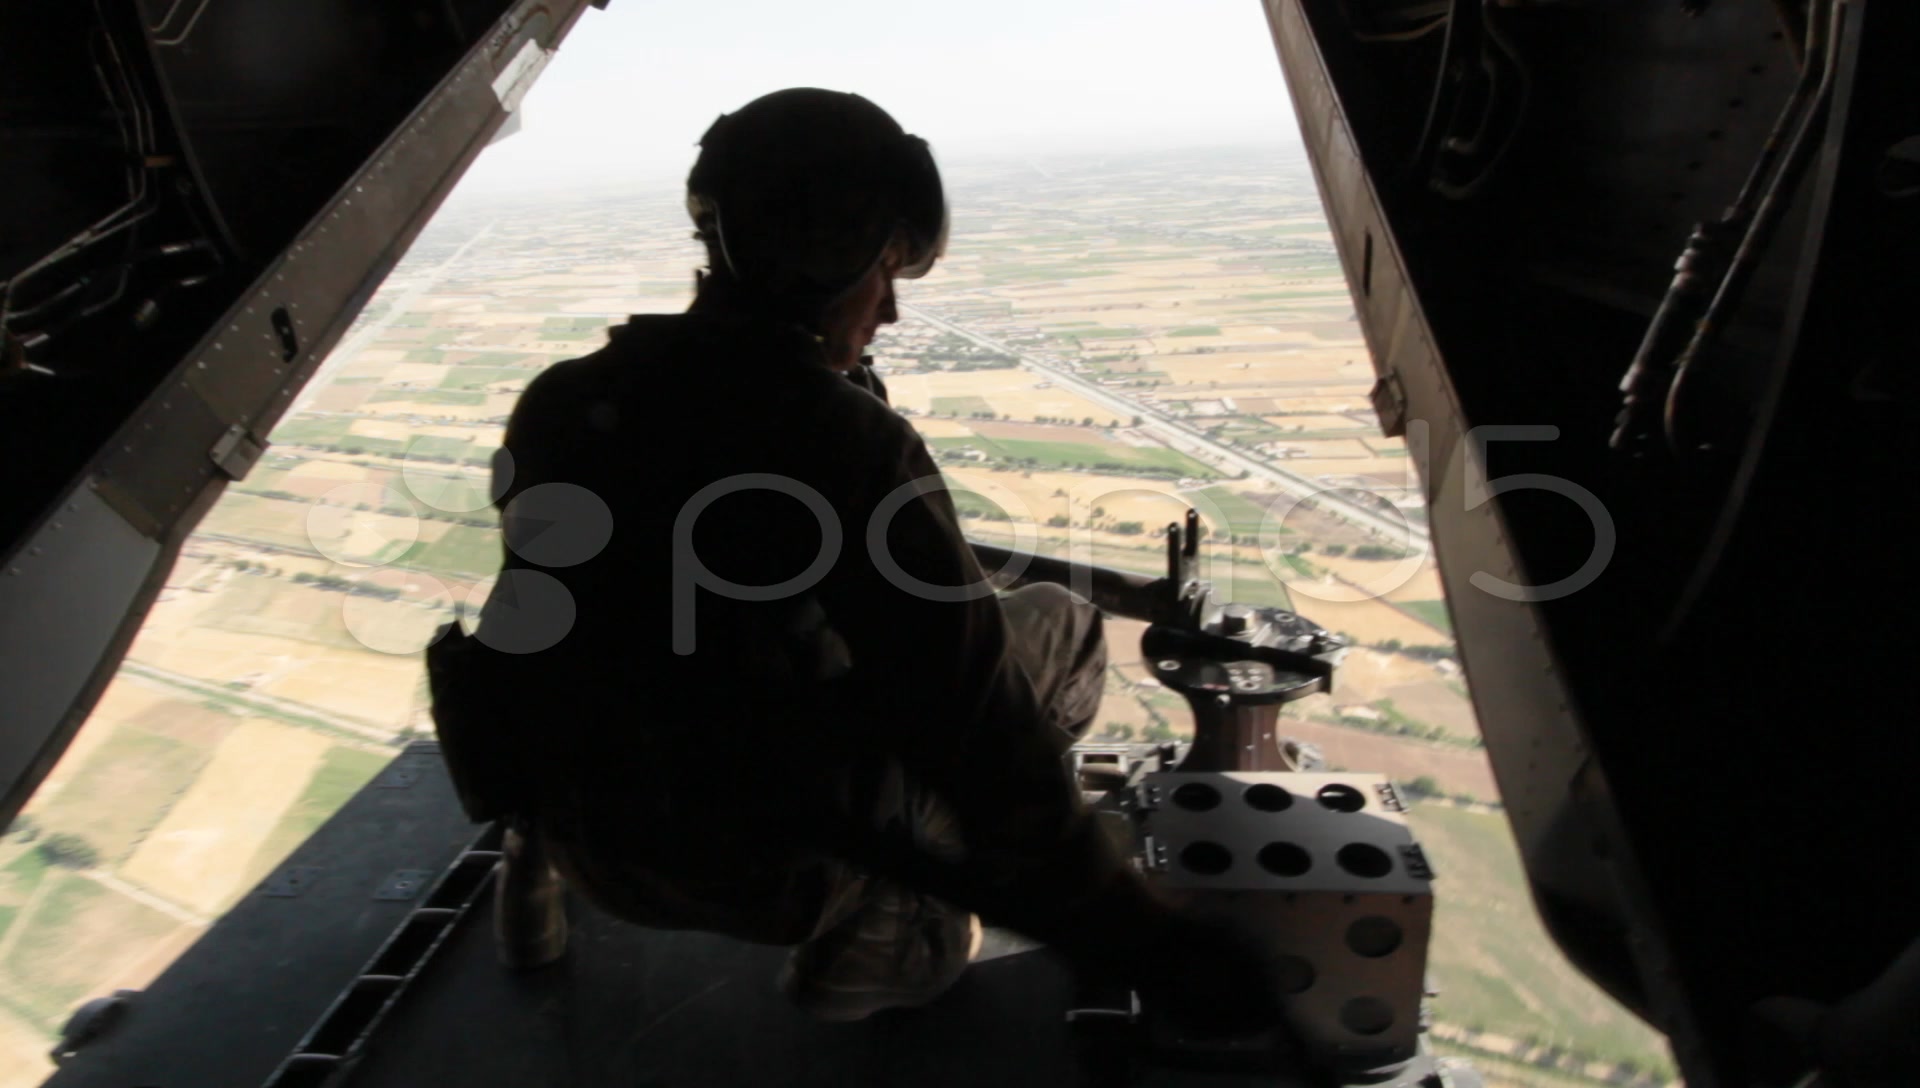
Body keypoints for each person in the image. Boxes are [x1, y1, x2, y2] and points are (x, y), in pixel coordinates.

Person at [428, 88, 1278, 1030]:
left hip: (588, 836)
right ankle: (880, 945)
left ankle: (527, 897)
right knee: (1062, 630)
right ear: (834, 257)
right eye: (886, 270)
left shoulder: (564, 399)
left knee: (602, 650)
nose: (893, 310)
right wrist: (1143, 934)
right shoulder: (836, 439)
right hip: (762, 870)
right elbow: (987, 745)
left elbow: (565, 630)